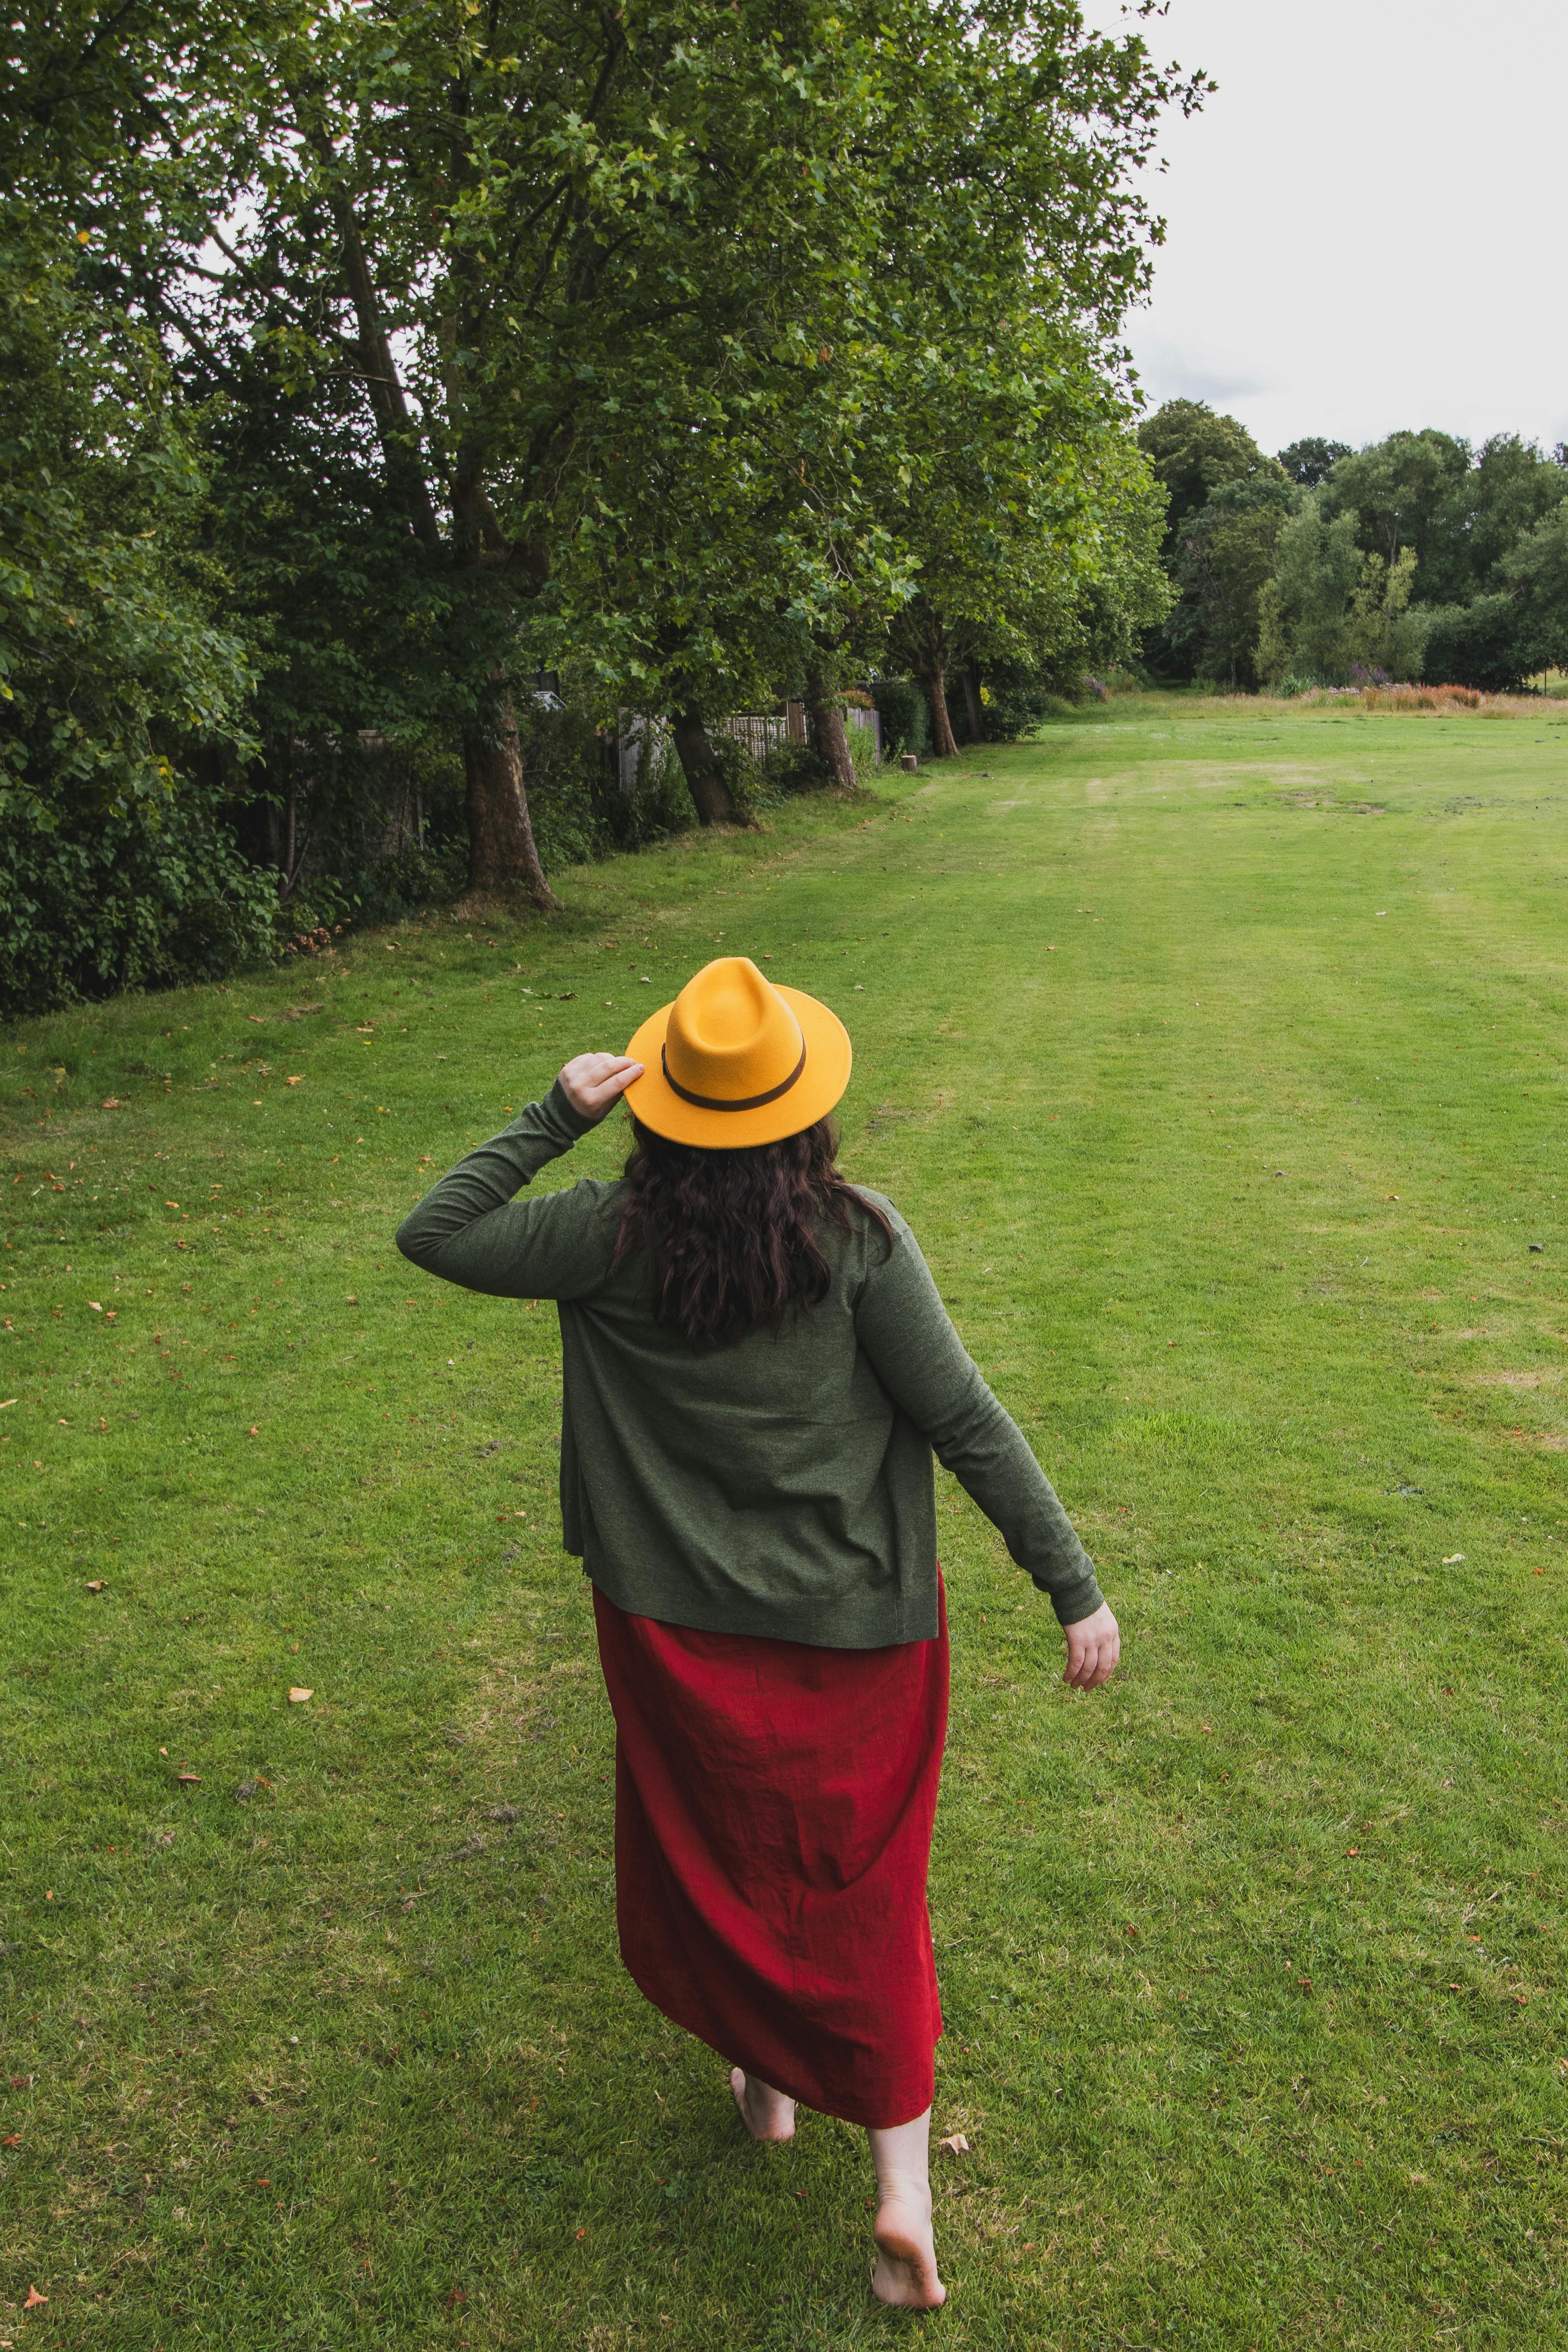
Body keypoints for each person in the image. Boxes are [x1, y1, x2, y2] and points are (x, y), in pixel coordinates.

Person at [397, 954, 1119, 2309]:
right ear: (805, 1110)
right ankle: (901, 2194)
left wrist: (552, 1113)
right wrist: (1070, 1584)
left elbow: (435, 1230)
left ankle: (770, 2082)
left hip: (673, 1628)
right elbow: (963, 1422)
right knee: (860, 1886)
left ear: (658, 1110)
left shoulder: (603, 1238)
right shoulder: (859, 1242)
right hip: (859, 1631)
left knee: (719, 1855)